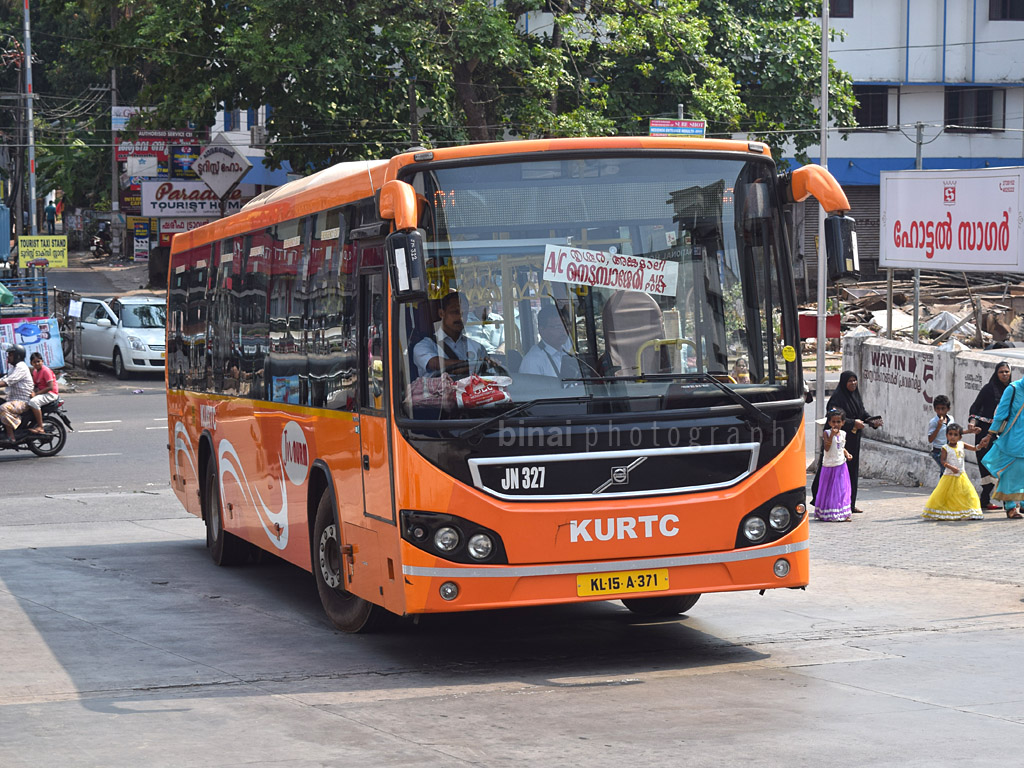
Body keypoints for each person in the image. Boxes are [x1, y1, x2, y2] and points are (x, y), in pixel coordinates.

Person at [812, 370, 882, 513]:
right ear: (844, 383)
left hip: (852, 441)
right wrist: (852, 423)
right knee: (832, 472)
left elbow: (861, 413)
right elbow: (833, 417)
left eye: (855, 380)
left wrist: (872, 422)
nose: (853, 383)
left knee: (850, 472)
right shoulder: (837, 398)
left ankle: (849, 503)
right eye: (850, 381)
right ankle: (825, 502)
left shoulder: (855, 396)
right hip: (836, 441)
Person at [413, 291, 494, 378]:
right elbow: (436, 364)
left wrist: (490, 364)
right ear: (441, 313)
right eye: (455, 312)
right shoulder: (424, 346)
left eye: (465, 313)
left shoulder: (477, 347)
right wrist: (474, 364)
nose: (461, 318)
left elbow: (488, 375)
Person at [980, 372, 1024, 519]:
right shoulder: (1013, 389)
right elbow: (1001, 414)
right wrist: (989, 435)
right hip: (1013, 439)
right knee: (1011, 472)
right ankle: (1011, 507)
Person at [968, 362, 1011, 510]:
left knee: (1005, 467)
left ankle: (1008, 502)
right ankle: (986, 499)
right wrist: (972, 422)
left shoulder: (1013, 390)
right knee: (988, 466)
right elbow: (976, 407)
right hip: (985, 432)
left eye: (1007, 372)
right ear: (996, 373)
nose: (1004, 374)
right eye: (1001, 372)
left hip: (1005, 433)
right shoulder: (988, 389)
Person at [922, 422, 984, 521]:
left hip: (961, 475)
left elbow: (974, 448)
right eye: (950, 434)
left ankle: (971, 512)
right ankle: (944, 512)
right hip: (949, 476)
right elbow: (943, 461)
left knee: (968, 493)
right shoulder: (945, 448)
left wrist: (980, 445)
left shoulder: (961, 445)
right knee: (946, 495)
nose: (952, 437)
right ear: (947, 435)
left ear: (960, 437)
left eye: (955, 435)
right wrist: (951, 467)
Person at [814, 408, 853, 522]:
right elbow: (826, 448)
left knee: (842, 489)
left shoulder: (844, 434)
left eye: (838, 422)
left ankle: (842, 512)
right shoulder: (827, 433)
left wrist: (847, 454)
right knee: (830, 490)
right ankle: (829, 512)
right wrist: (832, 436)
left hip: (841, 464)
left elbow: (841, 446)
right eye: (833, 422)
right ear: (830, 422)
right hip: (829, 466)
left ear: (843, 422)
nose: (836, 424)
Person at [520, 305, 580, 378]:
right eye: (558, 327)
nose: (564, 330)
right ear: (542, 330)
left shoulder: (565, 349)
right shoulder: (532, 361)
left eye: (567, 326)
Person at [0, 345, 34, 443]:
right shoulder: (12, 369)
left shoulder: (21, 367)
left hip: (22, 401)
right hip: (12, 399)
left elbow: (9, 381)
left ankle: (11, 436)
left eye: (10, 355)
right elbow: (3, 379)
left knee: (3, 408)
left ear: (17, 356)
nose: (8, 357)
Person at [27, 352, 59, 434]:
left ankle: (40, 427)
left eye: (38, 361)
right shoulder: (35, 371)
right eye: (34, 362)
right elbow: (35, 384)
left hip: (51, 394)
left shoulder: (46, 371)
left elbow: (50, 387)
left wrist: (36, 394)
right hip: (42, 393)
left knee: (33, 402)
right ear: (31, 363)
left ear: (42, 361)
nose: (37, 364)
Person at [926, 395, 953, 476]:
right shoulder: (934, 422)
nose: (940, 411)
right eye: (938, 409)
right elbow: (930, 439)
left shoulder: (951, 419)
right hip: (939, 451)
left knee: (944, 473)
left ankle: (942, 488)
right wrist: (938, 427)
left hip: (949, 449)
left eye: (943, 409)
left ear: (948, 409)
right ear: (935, 409)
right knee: (947, 471)